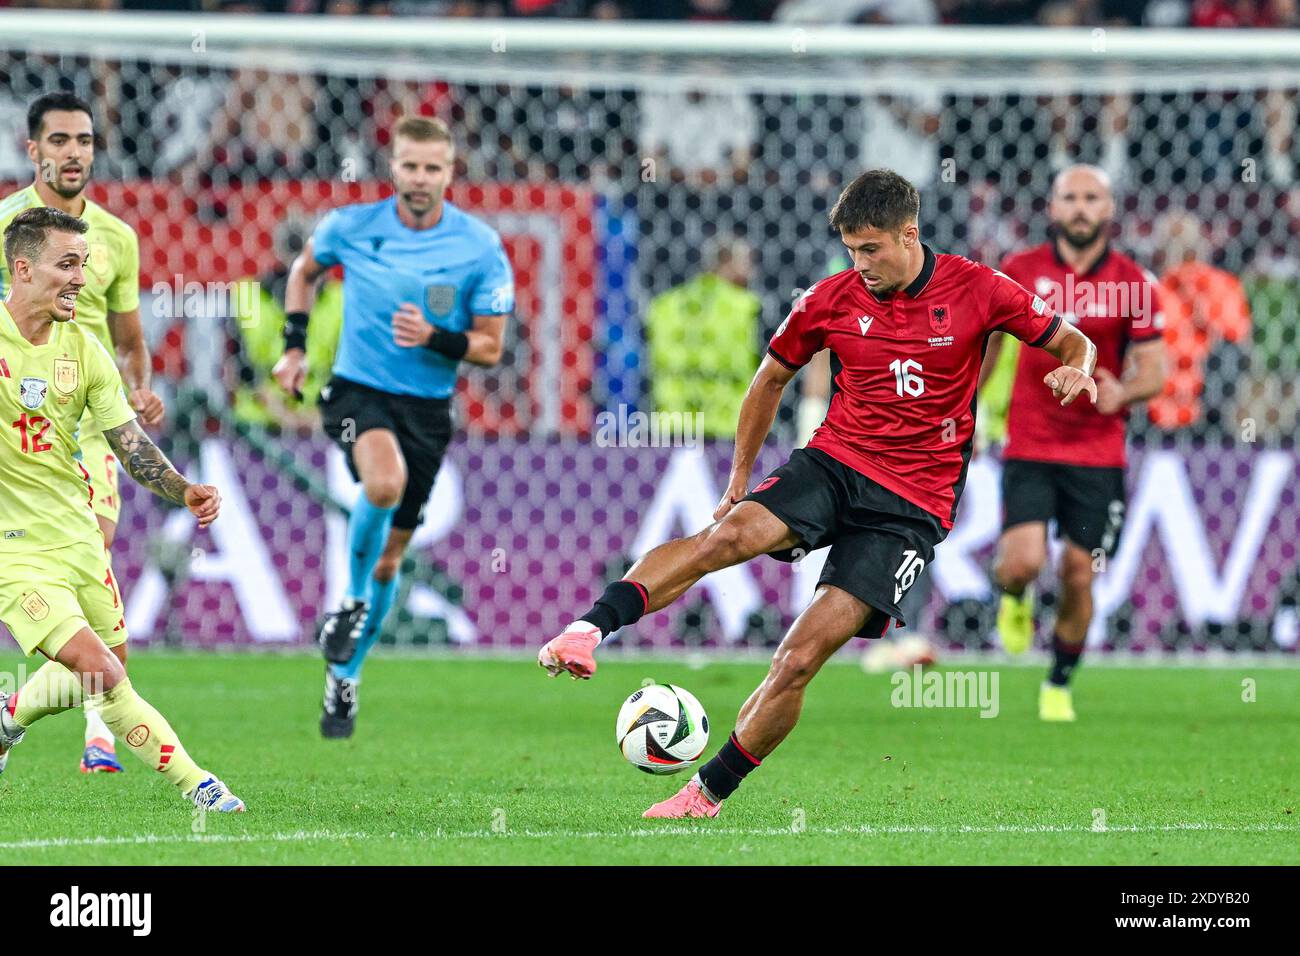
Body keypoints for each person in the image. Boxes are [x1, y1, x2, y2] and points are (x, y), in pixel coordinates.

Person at [539, 169, 1098, 818]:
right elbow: (770, 378)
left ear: (908, 235)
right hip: (834, 464)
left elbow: (1070, 339)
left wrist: (1075, 369)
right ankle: (586, 630)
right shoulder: (829, 299)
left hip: (911, 507)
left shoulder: (978, 288)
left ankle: (705, 794)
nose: (859, 265)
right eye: (851, 250)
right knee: (725, 536)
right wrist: (740, 478)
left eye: (871, 250)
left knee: (799, 658)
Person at [272, 116, 513, 739]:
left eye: (433, 168)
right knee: (382, 484)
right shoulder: (352, 226)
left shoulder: (479, 246)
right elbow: (304, 271)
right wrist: (294, 347)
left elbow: (490, 348)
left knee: (392, 563)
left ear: (450, 173)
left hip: (428, 409)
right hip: (357, 391)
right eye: (410, 165)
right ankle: (348, 604)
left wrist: (436, 337)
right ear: (393, 167)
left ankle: (344, 676)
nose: (420, 178)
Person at [0, 208, 242, 811]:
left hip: (77, 538)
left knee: (105, 667)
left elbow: (128, 444)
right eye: (67, 264)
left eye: (83, 264)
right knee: (101, 671)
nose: (81, 278)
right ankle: (200, 786)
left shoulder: (83, 348)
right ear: (22, 269)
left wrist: (182, 487)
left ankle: (8, 718)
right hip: (14, 548)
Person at [0, 91, 163, 774]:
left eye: (85, 140)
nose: (74, 153)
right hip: (19, 423)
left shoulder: (116, 238)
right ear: (33, 150)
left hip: (91, 420)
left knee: (92, 543)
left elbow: (128, 337)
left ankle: (90, 724)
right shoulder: (7, 225)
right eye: (60, 140)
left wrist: (140, 384)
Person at [986, 164, 1166, 721]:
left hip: (1097, 455)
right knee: (1020, 563)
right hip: (1031, 446)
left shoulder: (1135, 283)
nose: (1082, 207)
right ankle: (1015, 599)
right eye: (1071, 197)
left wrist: (1123, 393)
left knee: (1078, 573)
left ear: (1109, 210)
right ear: (1053, 208)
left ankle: (1058, 682)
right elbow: (988, 349)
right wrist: (961, 408)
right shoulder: (1019, 270)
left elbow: (1155, 373)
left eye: (1093, 197)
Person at [645, 237, 760, 439]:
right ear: (726, 262)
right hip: (727, 429)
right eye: (748, 263)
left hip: (671, 427)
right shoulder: (748, 307)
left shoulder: (663, 305)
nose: (752, 273)